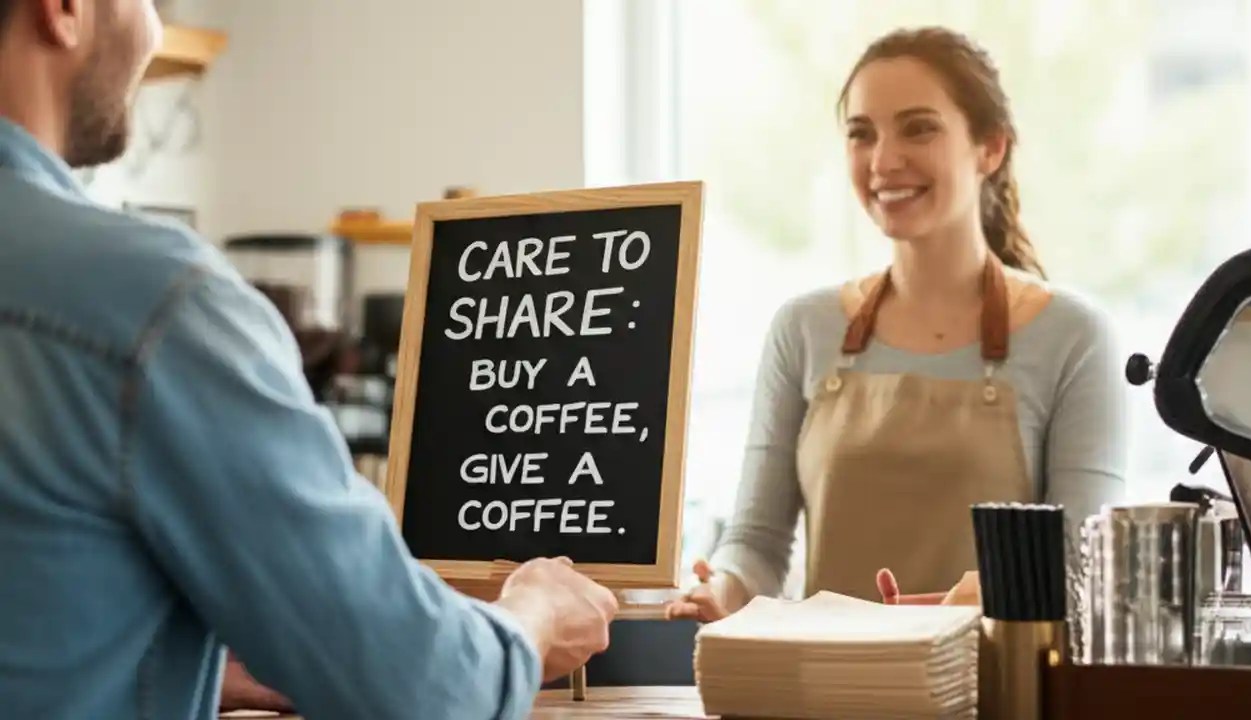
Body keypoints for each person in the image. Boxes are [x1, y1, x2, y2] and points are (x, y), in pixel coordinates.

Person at [0, 1, 617, 718]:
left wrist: (178, 662)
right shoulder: (147, 305)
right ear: (65, 9)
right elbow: (421, 685)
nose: (156, 28)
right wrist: (534, 617)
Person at [667, 26, 1127, 622]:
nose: (883, 161)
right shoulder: (803, 328)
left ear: (990, 147)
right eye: (861, 135)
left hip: (996, 700)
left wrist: (994, 593)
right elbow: (757, 545)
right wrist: (720, 589)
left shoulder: (1074, 336)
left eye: (919, 128)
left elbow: (1081, 566)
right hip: (827, 698)